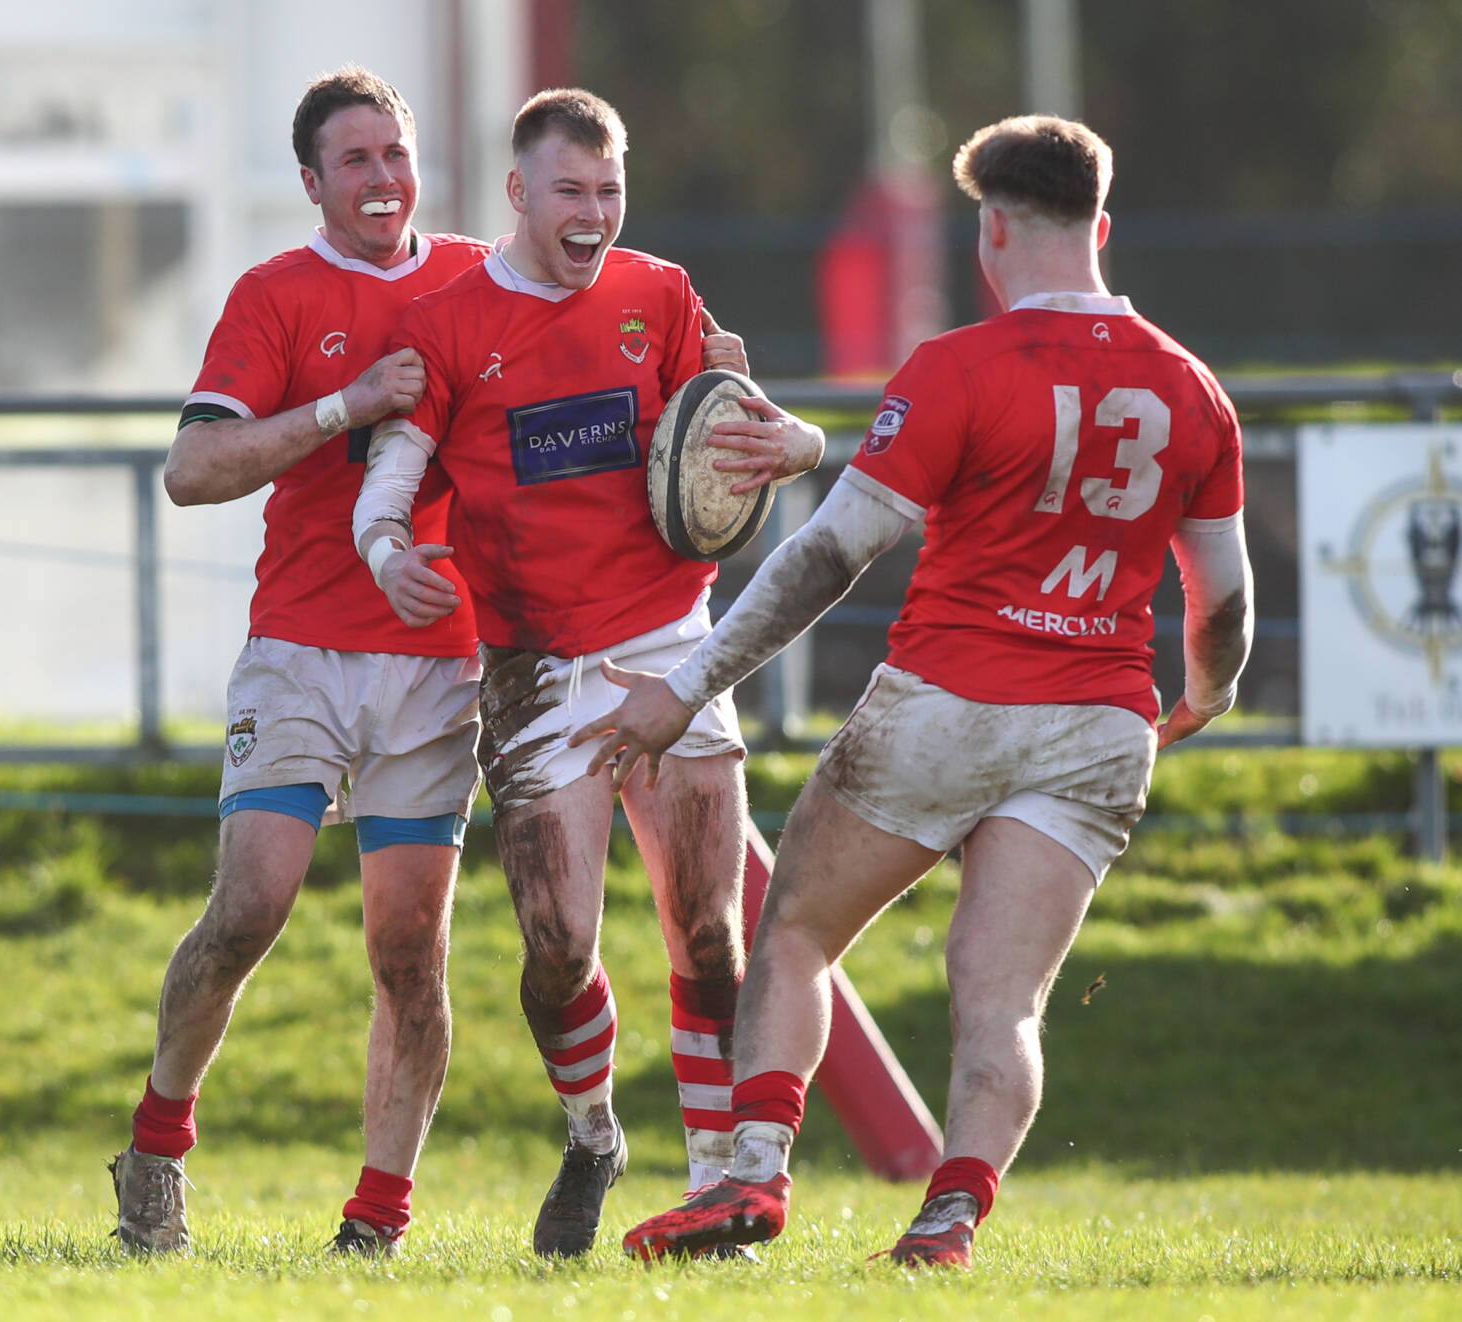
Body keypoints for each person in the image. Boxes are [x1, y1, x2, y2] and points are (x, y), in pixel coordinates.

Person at [578, 115, 1255, 1269]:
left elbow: (823, 560)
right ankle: (949, 1215)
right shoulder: (1191, 389)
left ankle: (751, 1178)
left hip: (943, 703)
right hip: (1098, 725)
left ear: (988, 229)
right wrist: (1199, 695)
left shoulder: (956, 368)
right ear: (1098, 228)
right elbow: (1223, 598)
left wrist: (685, 685)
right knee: (1003, 1004)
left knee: (793, 931)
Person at [351, 87, 820, 1257]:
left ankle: (715, 1183)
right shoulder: (454, 323)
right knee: (555, 945)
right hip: (532, 668)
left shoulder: (660, 296)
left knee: (706, 930)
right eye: (571, 191)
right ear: (518, 193)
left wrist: (793, 442)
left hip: (670, 639)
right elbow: (389, 478)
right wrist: (386, 547)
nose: (593, 213)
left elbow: (741, 422)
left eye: (609, 192)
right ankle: (594, 1132)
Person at [106, 66, 494, 1260]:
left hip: (437, 663)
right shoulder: (274, 296)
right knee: (250, 905)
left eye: (395, 154)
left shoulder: (484, 281)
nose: (381, 180)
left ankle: (376, 1222)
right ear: (312, 182)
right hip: (299, 652)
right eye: (355, 161)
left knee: (406, 951)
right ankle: (157, 1147)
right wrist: (342, 404)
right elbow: (192, 468)